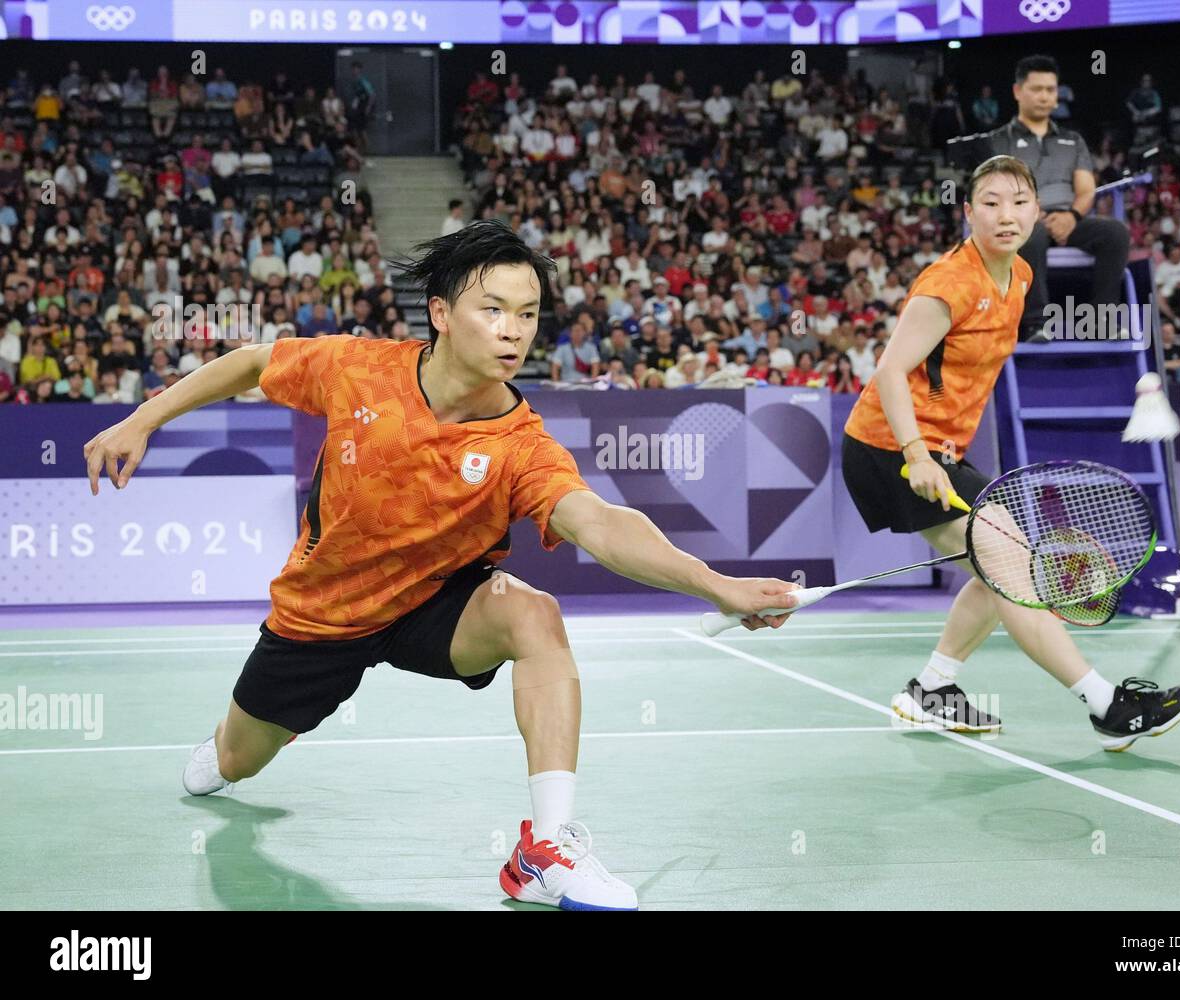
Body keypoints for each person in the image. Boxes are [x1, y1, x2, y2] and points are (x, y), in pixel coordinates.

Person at [82, 221, 797, 911]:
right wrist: (143, 418)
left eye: (527, 313)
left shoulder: (521, 444)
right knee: (234, 762)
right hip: (322, 615)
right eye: (493, 310)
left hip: (436, 606)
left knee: (533, 614)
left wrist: (714, 584)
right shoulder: (360, 370)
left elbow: (601, 523)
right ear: (442, 314)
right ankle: (248, 735)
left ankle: (543, 849)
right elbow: (250, 362)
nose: (513, 330)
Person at [840, 154, 1180, 752]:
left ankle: (931, 688)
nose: (1006, 215)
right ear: (968, 212)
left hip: (941, 451)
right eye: (991, 203)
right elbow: (891, 371)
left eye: (1019, 202)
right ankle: (1108, 706)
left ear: (1037, 209)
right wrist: (917, 454)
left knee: (1003, 569)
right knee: (1014, 574)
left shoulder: (1022, 278)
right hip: (890, 450)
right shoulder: (947, 284)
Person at [982, 55, 1130, 342]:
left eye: (1050, 90)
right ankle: (1035, 324)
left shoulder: (1073, 141)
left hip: (1066, 219)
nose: (1045, 97)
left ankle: (1102, 321)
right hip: (1020, 222)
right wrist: (1028, 213)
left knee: (1115, 233)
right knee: (1032, 232)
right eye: (1036, 89)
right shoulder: (999, 140)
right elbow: (995, 189)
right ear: (1017, 92)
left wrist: (1071, 217)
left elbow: (1086, 190)